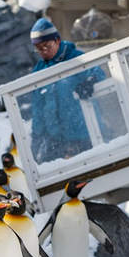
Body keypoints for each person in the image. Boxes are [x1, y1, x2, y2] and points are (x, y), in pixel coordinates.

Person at [29, 18, 105, 163]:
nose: (43, 51)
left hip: (86, 134)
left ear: (57, 40)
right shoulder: (38, 71)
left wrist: (90, 81)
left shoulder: (76, 58)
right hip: (57, 141)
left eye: (46, 45)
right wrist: (36, 139)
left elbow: (98, 73)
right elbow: (37, 109)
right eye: (38, 48)